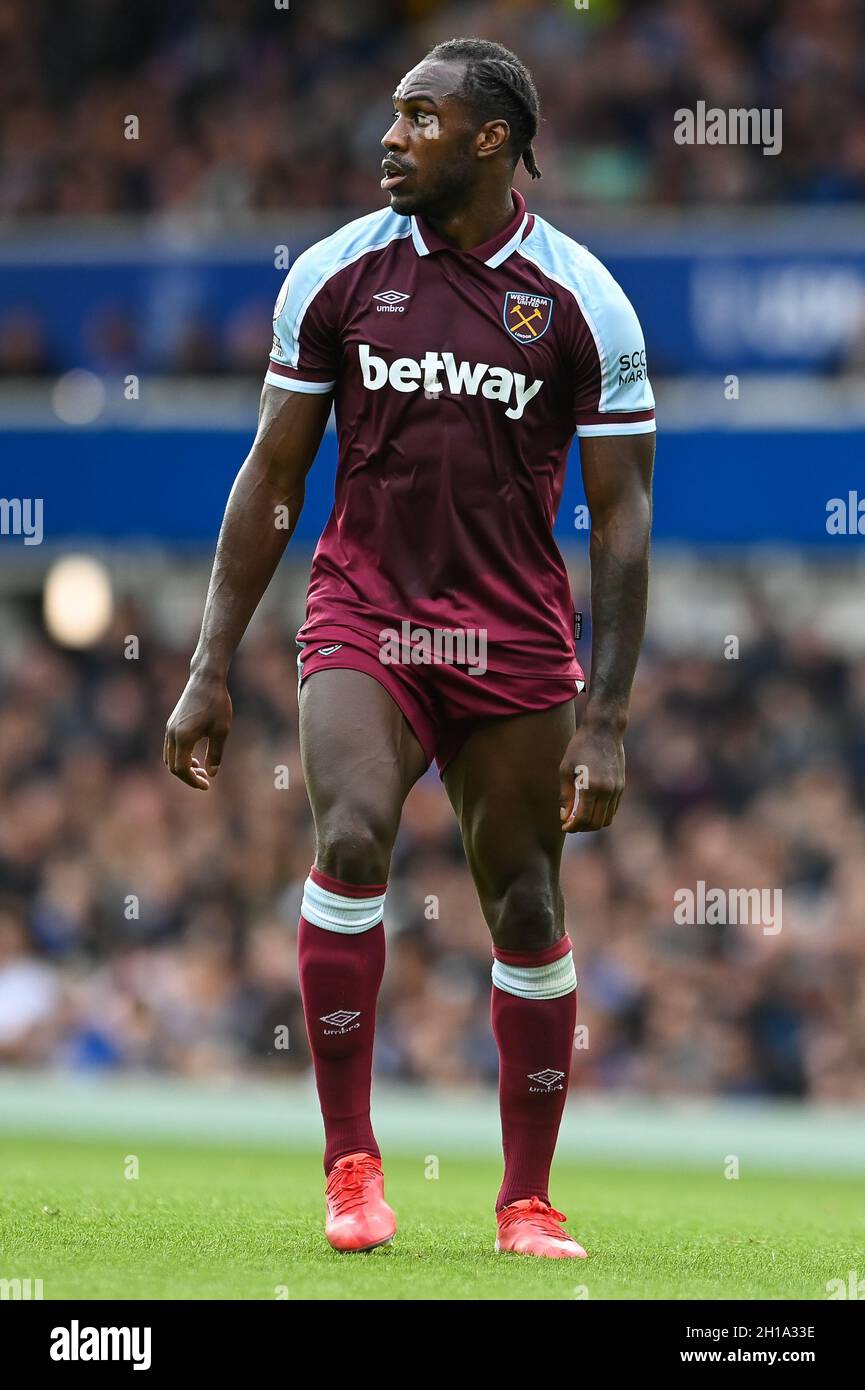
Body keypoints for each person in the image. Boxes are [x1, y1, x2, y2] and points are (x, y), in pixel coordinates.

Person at [164, 37, 655, 1260]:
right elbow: (273, 474)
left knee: (529, 903)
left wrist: (606, 718)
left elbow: (627, 518)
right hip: (365, 612)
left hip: (514, 637)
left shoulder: (584, 300)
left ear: (490, 139)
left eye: (420, 119)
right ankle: (350, 1166)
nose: (390, 137)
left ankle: (526, 1202)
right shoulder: (337, 274)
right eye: (393, 114)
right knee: (347, 838)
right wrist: (207, 664)